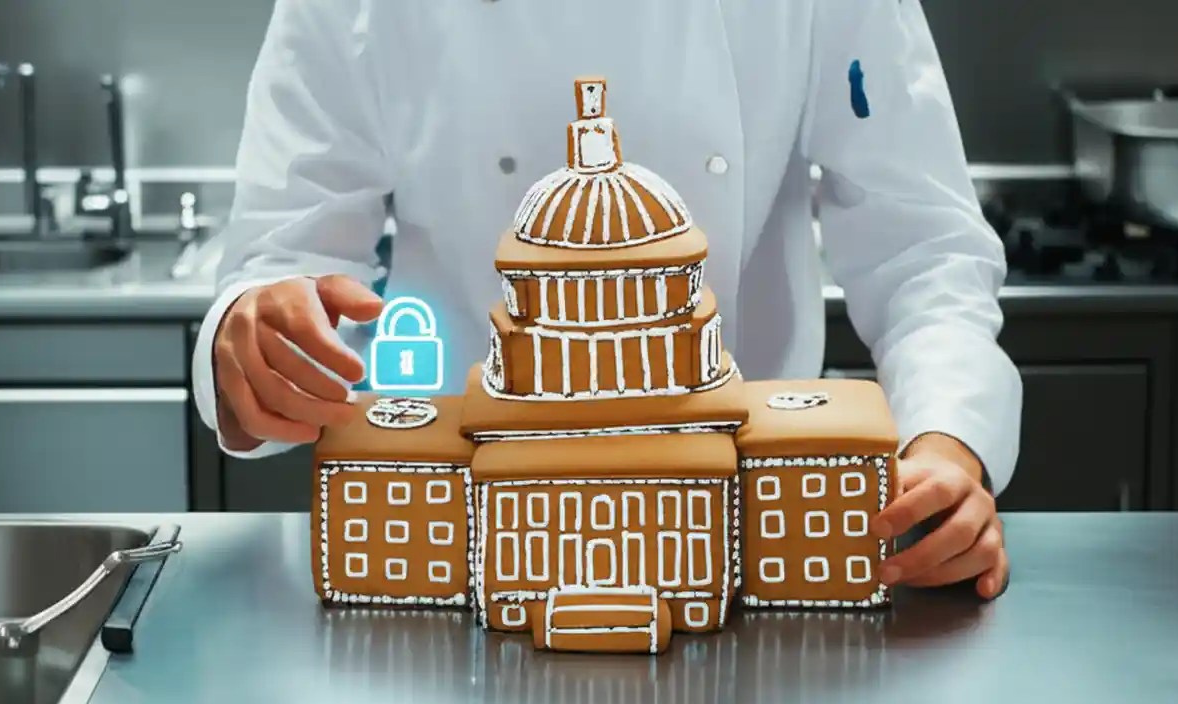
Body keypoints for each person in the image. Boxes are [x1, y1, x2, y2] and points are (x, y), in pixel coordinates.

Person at [193, 0, 1022, 600]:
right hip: (463, 543)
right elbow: (284, 256)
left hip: (749, 537)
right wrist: (259, 339)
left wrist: (948, 447)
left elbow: (924, 248)